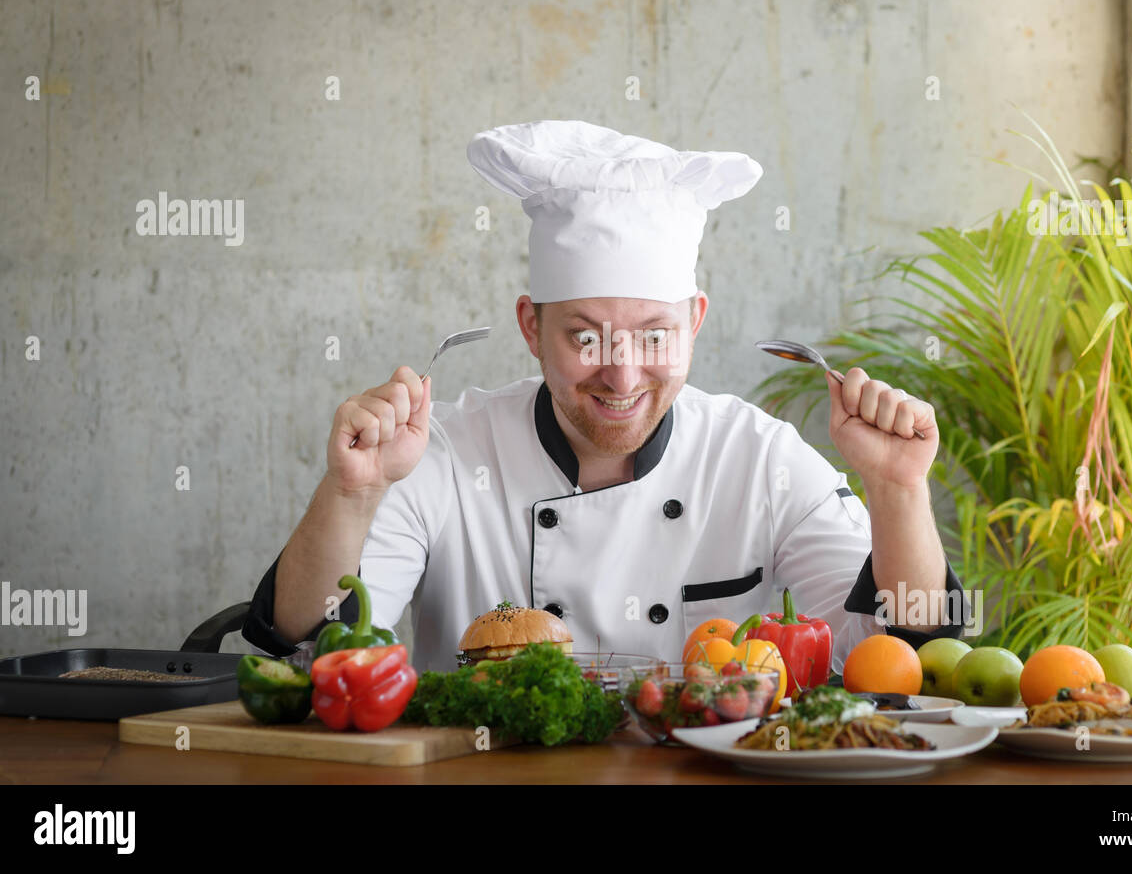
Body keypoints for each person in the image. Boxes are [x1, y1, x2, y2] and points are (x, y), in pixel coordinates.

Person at [242, 119, 966, 674]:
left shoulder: (759, 458)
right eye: (584, 337)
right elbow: (309, 645)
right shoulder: (444, 454)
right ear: (532, 325)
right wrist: (350, 494)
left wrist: (898, 491)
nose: (622, 376)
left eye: (654, 337)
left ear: (695, 321)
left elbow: (900, 652)